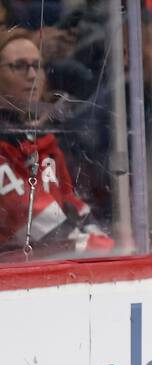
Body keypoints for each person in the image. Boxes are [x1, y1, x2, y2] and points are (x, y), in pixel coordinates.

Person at [0, 29, 111, 256]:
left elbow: (75, 205)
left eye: (37, 65)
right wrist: (104, 249)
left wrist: (101, 240)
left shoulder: (47, 144)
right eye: (19, 66)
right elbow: (33, 223)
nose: (32, 75)